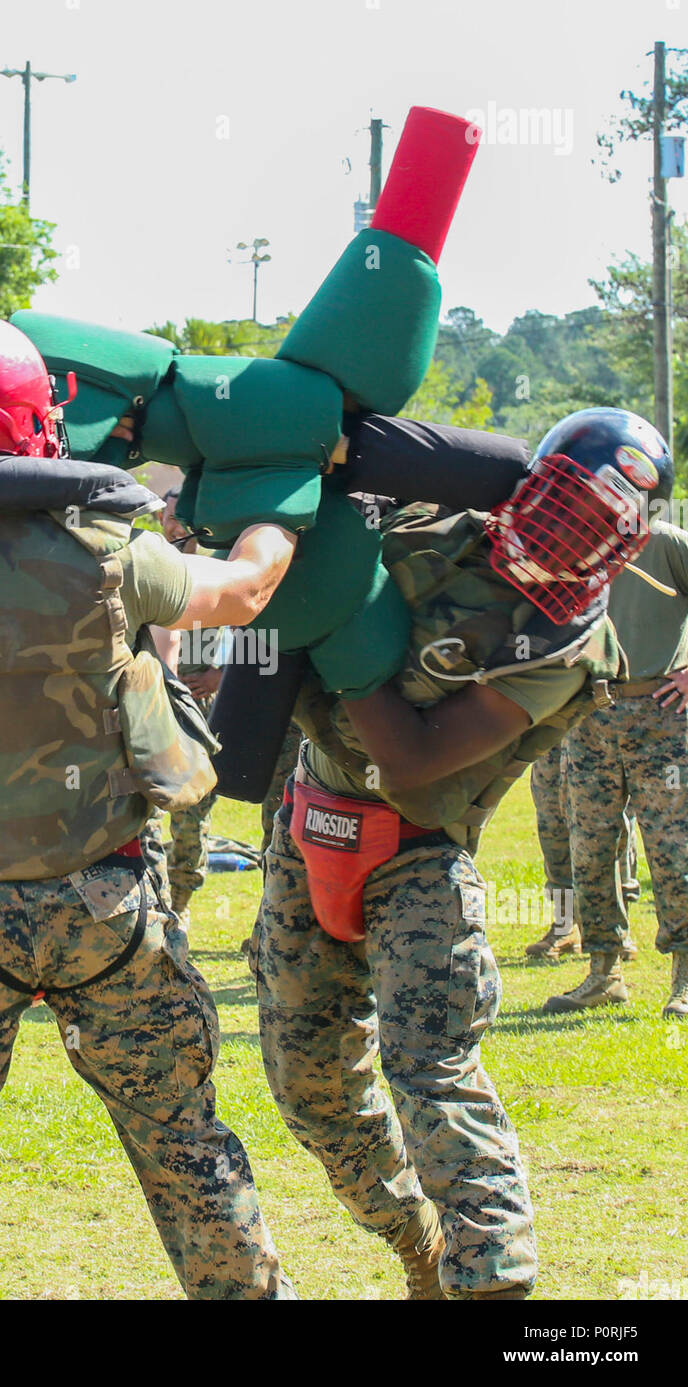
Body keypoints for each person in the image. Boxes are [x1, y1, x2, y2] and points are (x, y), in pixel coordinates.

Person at [0, 314, 296, 1300]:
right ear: (34, 422)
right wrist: (279, 513)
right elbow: (243, 595)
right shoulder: (105, 548)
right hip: (106, 904)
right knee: (183, 1145)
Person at [249, 408, 664, 1300]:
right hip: (309, 816)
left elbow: (415, 760)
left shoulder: (565, 641)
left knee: (430, 1063)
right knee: (307, 1082)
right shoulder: (431, 529)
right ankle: (415, 1240)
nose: (573, 535)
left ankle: (495, 1286)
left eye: (603, 525)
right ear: (528, 485)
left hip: (418, 850)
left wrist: (346, 626)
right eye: (565, 505)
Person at [544, 458, 688, 1018]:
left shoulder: (668, 542)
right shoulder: (571, 547)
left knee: (672, 848)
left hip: (662, 718)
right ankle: (604, 969)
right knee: (591, 849)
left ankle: (683, 975)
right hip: (590, 717)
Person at [142, 489, 224, 928]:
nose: (176, 527)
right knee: (151, 808)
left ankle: (182, 903)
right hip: (153, 706)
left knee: (194, 815)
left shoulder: (219, 571)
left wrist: (221, 676)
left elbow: (262, 636)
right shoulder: (146, 563)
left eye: (184, 519)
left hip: (200, 709)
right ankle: (154, 904)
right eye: (170, 518)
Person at [525, 738, 639, 960]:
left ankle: (619, 929)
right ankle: (564, 926)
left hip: (605, 725)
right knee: (551, 821)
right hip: (555, 726)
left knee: (614, 821)